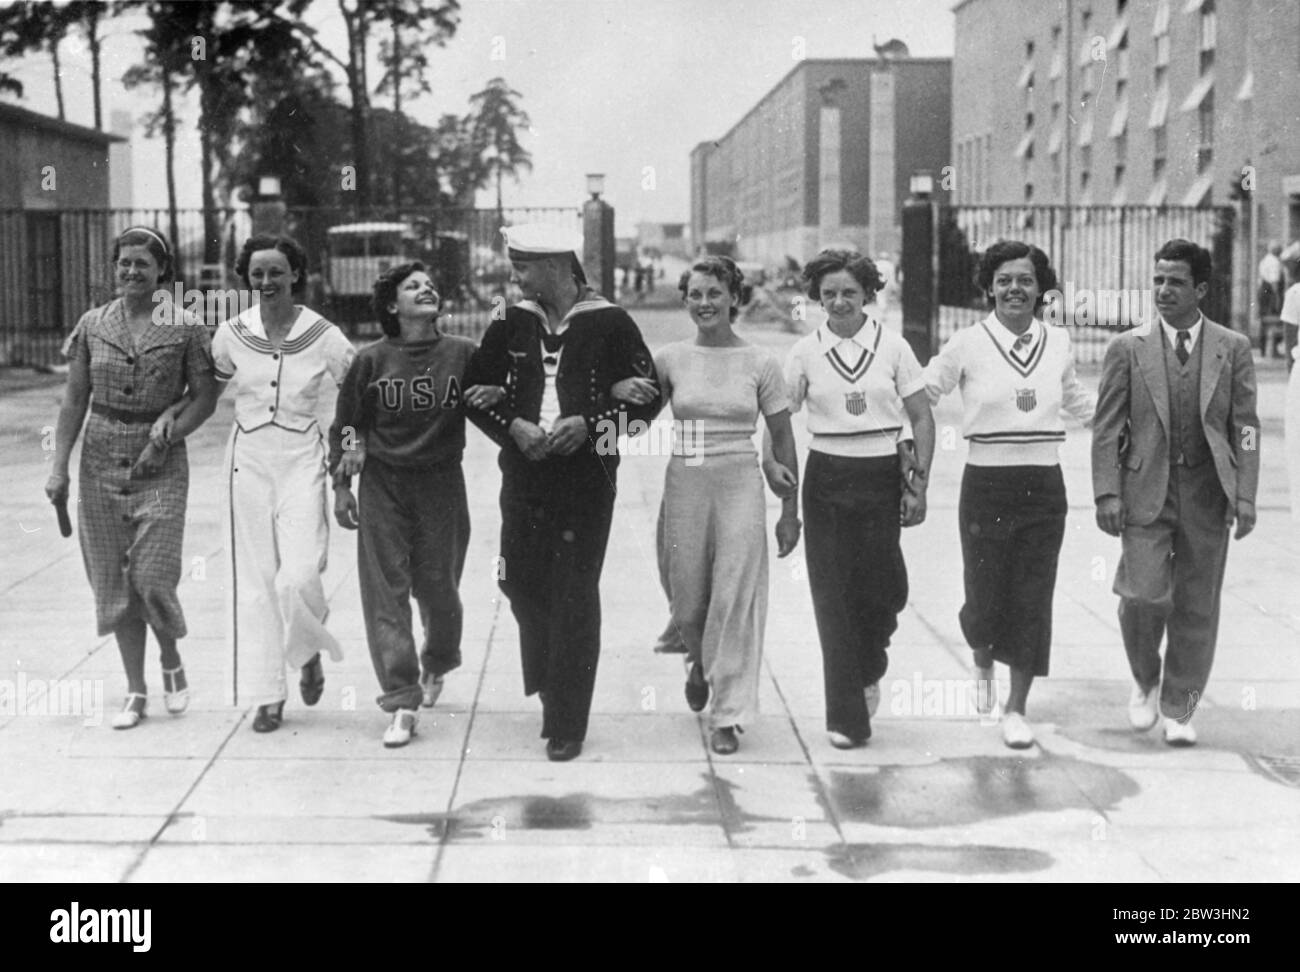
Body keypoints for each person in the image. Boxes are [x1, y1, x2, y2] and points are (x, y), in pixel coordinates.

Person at [465, 224, 663, 761]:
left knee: (575, 590)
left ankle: (566, 720)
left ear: (554, 264)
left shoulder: (611, 321)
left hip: (587, 477)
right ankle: (554, 676)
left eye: (522, 265)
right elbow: (473, 390)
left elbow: (648, 403)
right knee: (519, 578)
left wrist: (594, 422)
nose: (515, 275)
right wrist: (514, 426)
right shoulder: (510, 319)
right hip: (525, 471)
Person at [44, 226, 220, 729]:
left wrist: (167, 434)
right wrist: (59, 467)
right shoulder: (93, 325)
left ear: (162, 271)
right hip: (100, 459)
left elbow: (205, 397)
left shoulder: (185, 327)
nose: (131, 272)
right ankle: (136, 689)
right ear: (113, 268)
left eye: (142, 264)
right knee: (113, 580)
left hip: (159, 463)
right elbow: (74, 400)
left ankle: (170, 659)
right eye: (124, 263)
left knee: (151, 575)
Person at [924, 240, 1095, 749]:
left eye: (1024, 279)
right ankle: (982, 659)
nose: (1014, 289)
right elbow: (926, 389)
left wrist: (1126, 421)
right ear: (989, 287)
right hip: (986, 485)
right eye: (1004, 280)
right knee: (984, 598)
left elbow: (1076, 399)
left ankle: (1016, 709)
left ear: (1041, 287)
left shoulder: (1058, 342)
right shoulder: (967, 343)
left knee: (1032, 598)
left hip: (1043, 485)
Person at [1092, 238, 1259, 747]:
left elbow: (1245, 428)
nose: (1163, 290)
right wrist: (1106, 494)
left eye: (1176, 282)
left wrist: (1246, 494)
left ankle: (1181, 707)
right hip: (1145, 489)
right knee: (1141, 595)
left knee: (1197, 604)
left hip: (1208, 491)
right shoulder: (1128, 347)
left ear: (1201, 288)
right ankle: (1146, 678)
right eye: (1158, 279)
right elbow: (1105, 428)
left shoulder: (1233, 348)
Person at [328, 262, 502, 748]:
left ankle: (439, 657)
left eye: (430, 283)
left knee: (438, 590)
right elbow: (346, 422)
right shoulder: (371, 360)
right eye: (412, 286)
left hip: (441, 484)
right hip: (383, 485)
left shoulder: (464, 353)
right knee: (386, 593)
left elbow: (497, 404)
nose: (426, 289)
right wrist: (342, 481)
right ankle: (402, 700)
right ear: (391, 305)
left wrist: (500, 394)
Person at [633, 256, 798, 756]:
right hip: (685, 481)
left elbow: (783, 438)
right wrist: (622, 396)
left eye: (714, 293)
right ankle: (698, 663)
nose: (705, 303)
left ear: (733, 297)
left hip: (739, 484)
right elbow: (634, 424)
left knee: (734, 597)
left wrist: (789, 509)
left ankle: (727, 714)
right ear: (685, 301)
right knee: (687, 600)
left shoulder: (761, 362)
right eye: (696, 295)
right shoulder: (670, 359)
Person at [772, 249, 934, 749]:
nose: (839, 302)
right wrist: (783, 491)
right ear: (816, 299)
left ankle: (869, 670)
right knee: (832, 595)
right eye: (828, 294)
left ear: (867, 293)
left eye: (848, 292)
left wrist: (919, 485)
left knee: (884, 591)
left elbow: (923, 417)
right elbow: (779, 420)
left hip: (881, 475)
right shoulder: (803, 353)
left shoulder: (893, 347)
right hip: (827, 476)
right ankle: (845, 714)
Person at [209, 235, 356, 732]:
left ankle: (308, 646)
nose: (267, 282)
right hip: (246, 458)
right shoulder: (231, 333)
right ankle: (267, 695)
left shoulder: (324, 334)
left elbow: (357, 395)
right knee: (253, 583)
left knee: (298, 573)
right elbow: (205, 392)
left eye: (277, 272)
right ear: (246, 279)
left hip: (301, 458)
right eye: (257, 274)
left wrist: (349, 451)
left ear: (296, 274)